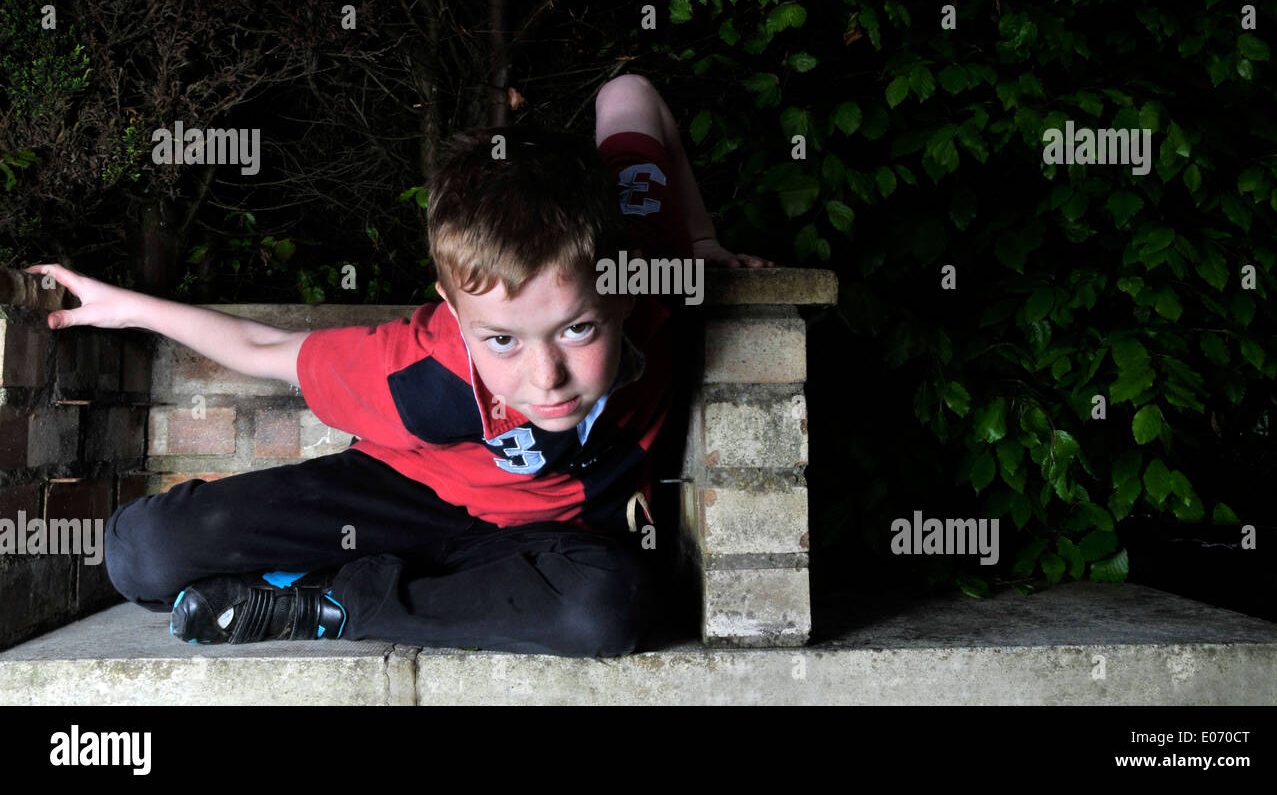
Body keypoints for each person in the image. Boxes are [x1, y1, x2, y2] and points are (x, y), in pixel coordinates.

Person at [25, 74, 771, 657]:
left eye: (577, 329)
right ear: (452, 308)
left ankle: (330, 603)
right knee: (139, 552)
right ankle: (346, 579)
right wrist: (130, 308)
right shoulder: (419, 371)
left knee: (609, 609)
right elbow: (263, 350)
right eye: (502, 341)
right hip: (402, 495)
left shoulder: (657, 271)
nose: (546, 376)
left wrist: (701, 244)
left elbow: (628, 91)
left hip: (548, 538)